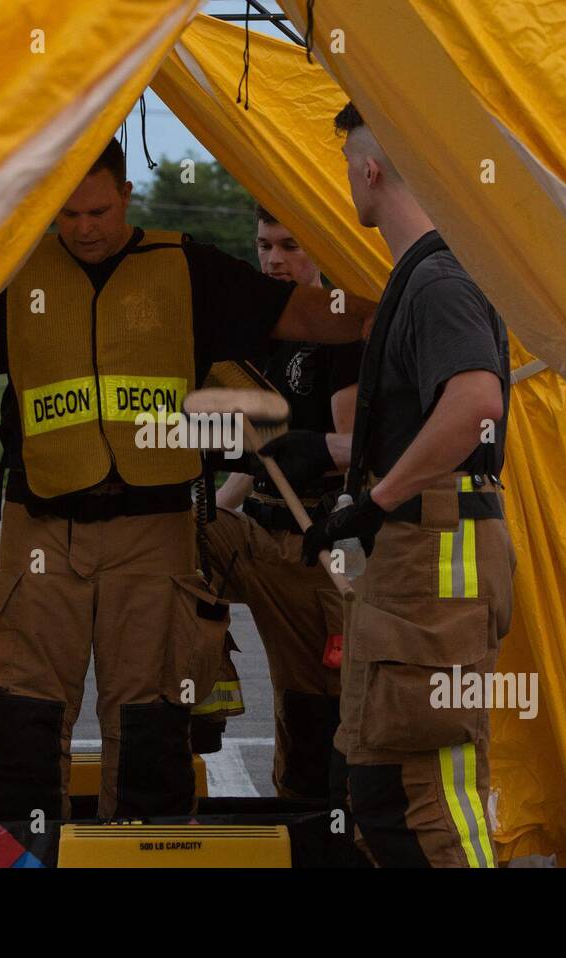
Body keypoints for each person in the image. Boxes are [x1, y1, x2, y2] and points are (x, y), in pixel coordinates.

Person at [0, 138, 375, 823]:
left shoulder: (186, 269)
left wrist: (394, 302)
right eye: (67, 213)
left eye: (97, 210)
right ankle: (15, 855)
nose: (83, 227)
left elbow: (304, 315)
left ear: (127, 197)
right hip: (42, 529)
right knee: (23, 716)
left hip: (154, 531)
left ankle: (148, 851)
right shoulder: (16, 273)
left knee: (151, 722)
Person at [266, 103, 515, 867]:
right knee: (374, 784)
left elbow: (475, 408)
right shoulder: (418, 280)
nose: (347, 181)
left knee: (428, 788)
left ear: (369, 170)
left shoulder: (439, 280)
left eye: (347, 167)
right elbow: (429, 423)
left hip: (436, 563)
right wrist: (337, 458)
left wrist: (372, 500)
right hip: (416, 563)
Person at [199, 205, 361, 798]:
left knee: (312, 709)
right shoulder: (252, 337)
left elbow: (355, 452)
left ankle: (315, 826)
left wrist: (310, 451)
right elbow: (258, 460)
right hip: (260, 534)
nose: (272, 260)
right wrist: (214, 510)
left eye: (290, 245)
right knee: (183, 527)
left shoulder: (338, 328)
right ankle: (203, 694)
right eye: (264, 245)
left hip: (316, 550)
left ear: (320, 252)